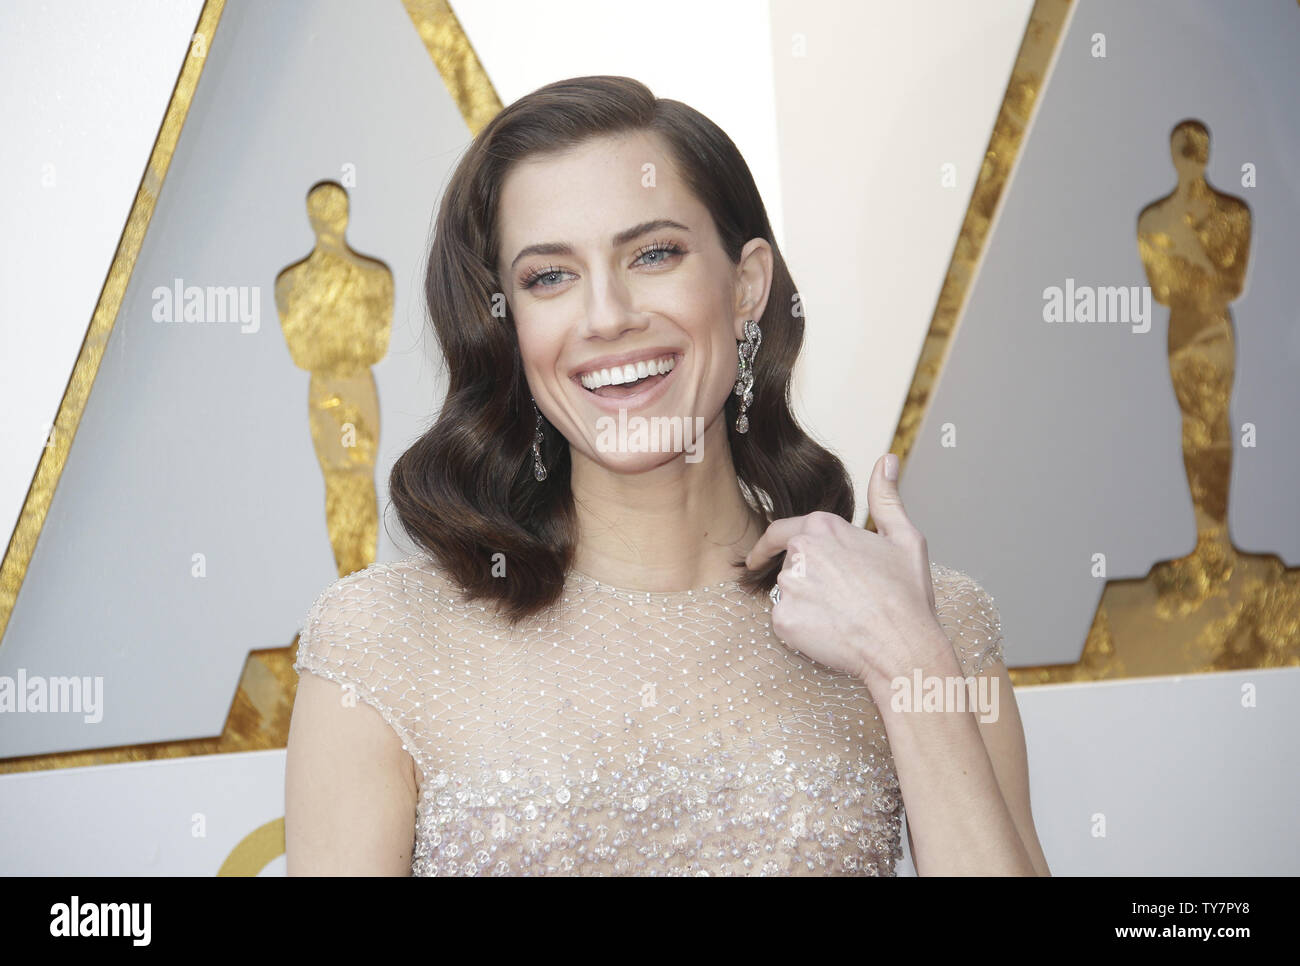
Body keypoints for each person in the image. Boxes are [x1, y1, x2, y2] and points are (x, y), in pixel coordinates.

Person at [284, 75, 1050, 876]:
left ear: (746, 284)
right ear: (505, 325)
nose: (608, 315)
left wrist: (907, 659)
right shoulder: (385, 644)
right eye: (549, 277)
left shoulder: (932, 622)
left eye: (653, 255)